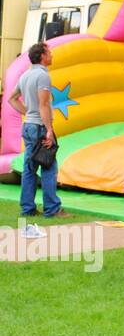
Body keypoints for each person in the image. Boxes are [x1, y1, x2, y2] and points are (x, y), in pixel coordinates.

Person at [7, 42, 66, 222]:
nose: (52, 55)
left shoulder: (26, 75)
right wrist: (49, 130)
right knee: (48, 167)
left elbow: (12, 99)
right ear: (42, 56)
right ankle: (52, 209)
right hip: (40, 127)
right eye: (49, 52)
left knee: (29, 169)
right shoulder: (42, 76)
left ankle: (28, 209)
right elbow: (43, 104)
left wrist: (28, 113)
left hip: (29, 126)